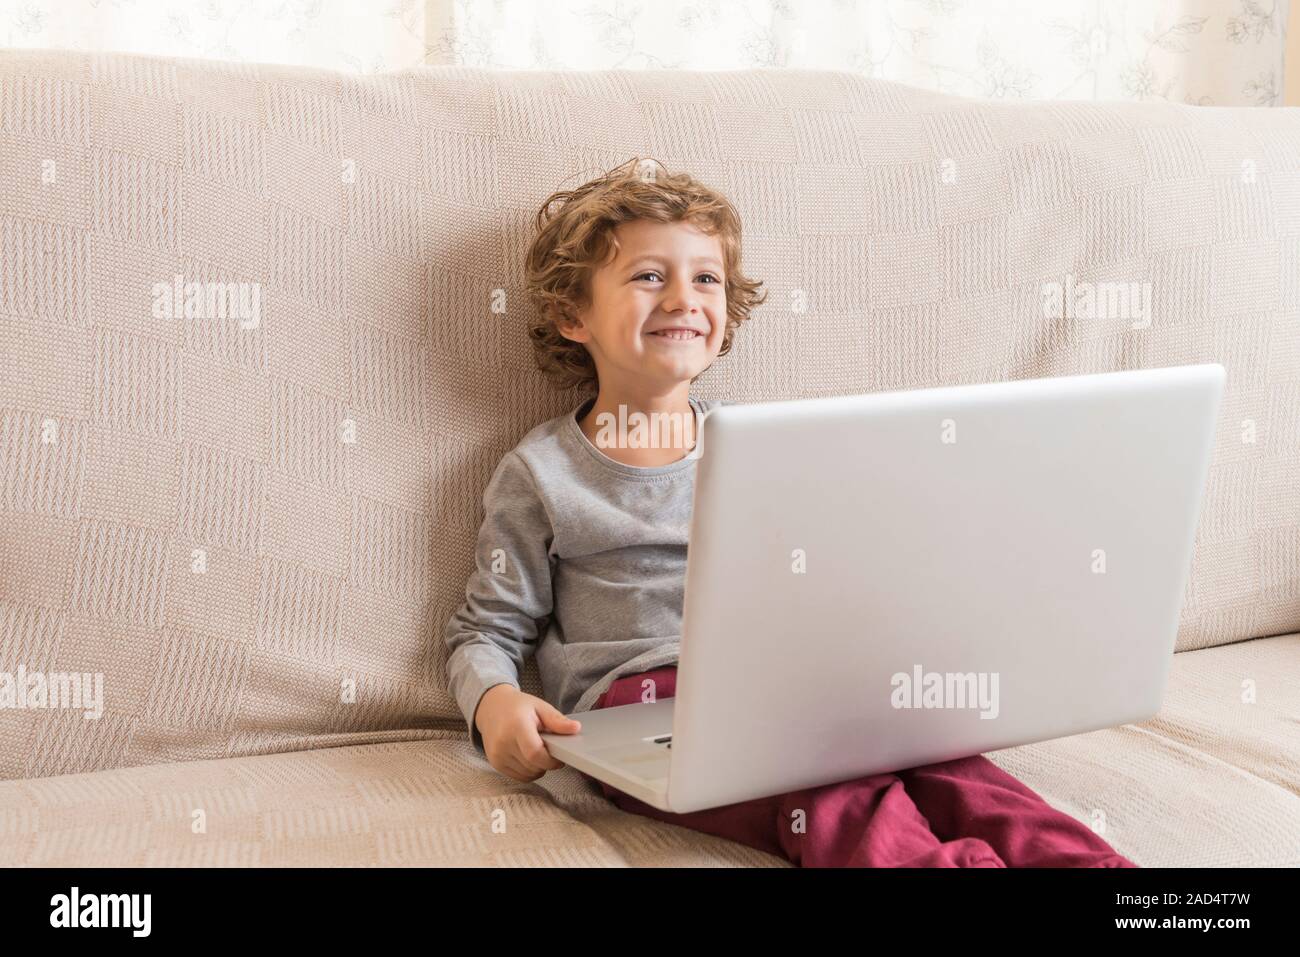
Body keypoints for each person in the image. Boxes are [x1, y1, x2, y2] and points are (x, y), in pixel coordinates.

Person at [442, 157, 1137, 868]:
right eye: (650, 275)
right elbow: (485, 628)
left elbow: (830, 582)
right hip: (645, 709)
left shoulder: (765, 446)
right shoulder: (541, 473)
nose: (684, 297)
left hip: (792, 684)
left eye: (705, 277)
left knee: (959, 769)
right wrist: (494, 700)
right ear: (571, 314)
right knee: (832, 791)